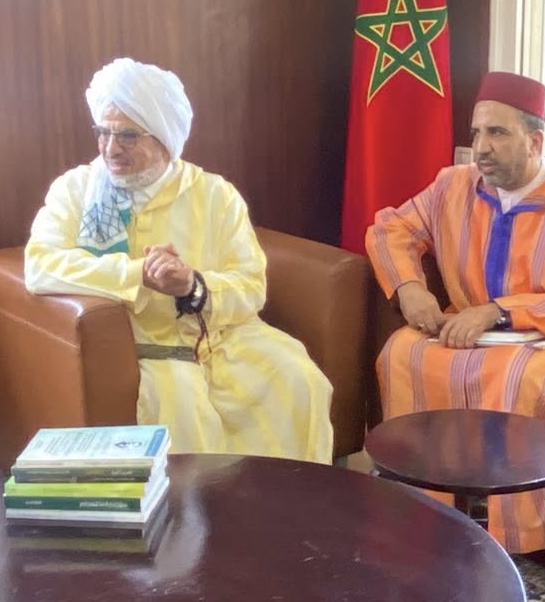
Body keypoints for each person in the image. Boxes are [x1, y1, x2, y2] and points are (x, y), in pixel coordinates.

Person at [366, 71, 545, 552]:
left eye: (497, 133)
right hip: (475, 328)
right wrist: (410, 288)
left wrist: (497, 312)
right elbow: (391, 229)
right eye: (476, 133)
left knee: (513, 378)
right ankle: (423, 509)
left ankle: (510, 538)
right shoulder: (453, 186)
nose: (481, 148)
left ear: (535, 141)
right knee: (402, 352)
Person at [26, 58, 333, 463]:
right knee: (185, 418)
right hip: (146, 348)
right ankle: (201, 508)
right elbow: (40, 265)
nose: (110, 148)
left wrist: (192, 286)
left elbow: (251, 285)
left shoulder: (215, 195)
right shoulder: (76, 190)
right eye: (103, 132)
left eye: (128, 135)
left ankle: (289, 499)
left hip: (224, 337)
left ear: (165, 141)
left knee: (299, 379)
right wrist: (137, 274)